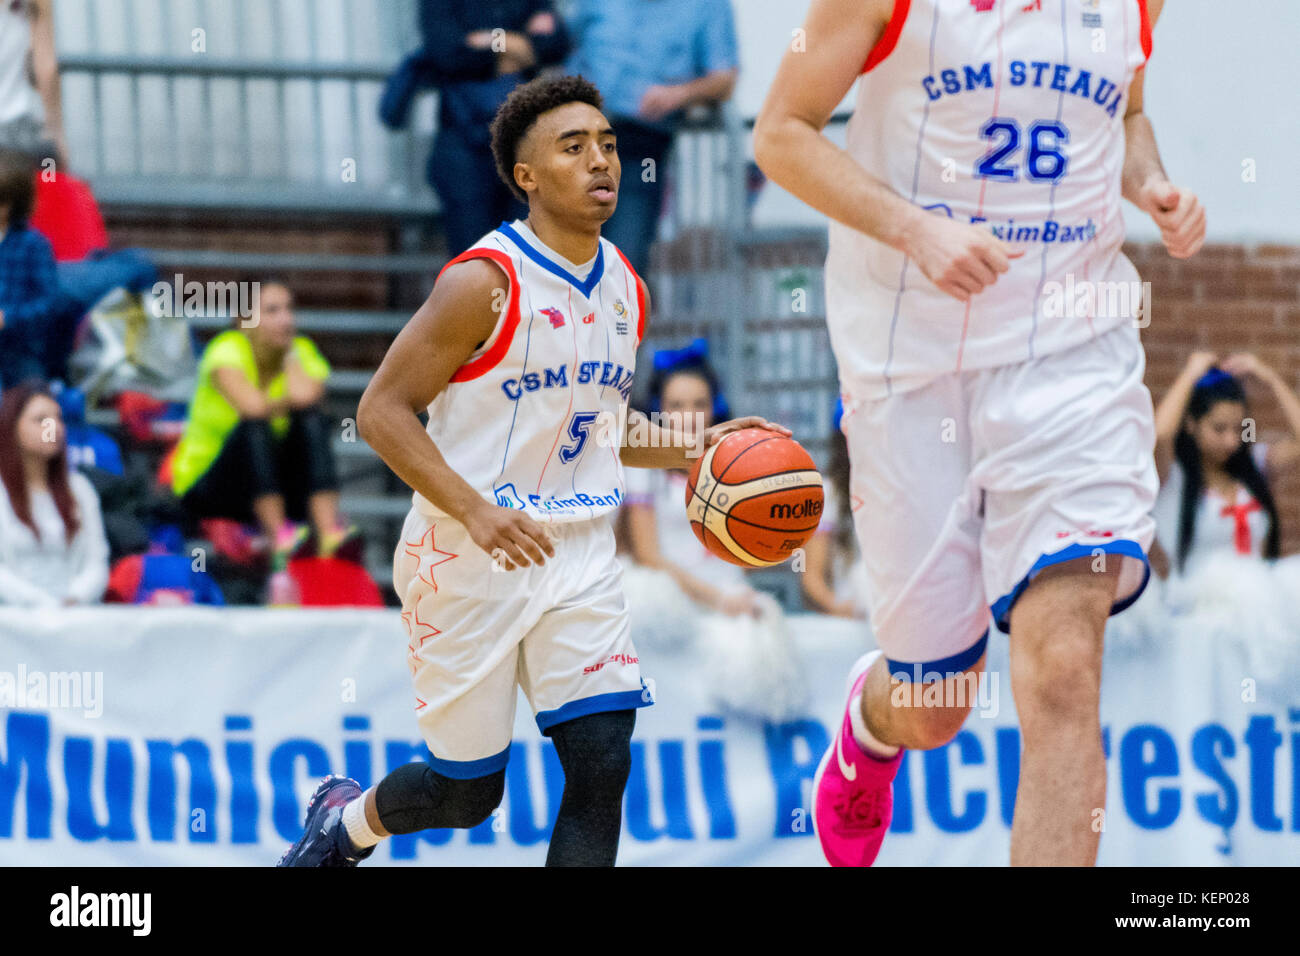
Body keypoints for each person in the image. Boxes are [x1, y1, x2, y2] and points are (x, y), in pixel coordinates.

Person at [276, 74, 788, 867]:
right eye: (573, 147)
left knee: (602, 764)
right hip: (466, 555)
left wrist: (700, 441)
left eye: (609, 146)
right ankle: (346, 822)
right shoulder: (480, 284)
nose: (601, 162)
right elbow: (380, 412)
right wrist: (475, 509)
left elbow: (604, 425)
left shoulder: (626, 287)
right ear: (526, 176)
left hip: (578, 554)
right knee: (466, 792)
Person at [754, 0, 1206, 866]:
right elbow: (781, 133)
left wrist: (1148, 182)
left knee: (1067, 666)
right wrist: (914, 228)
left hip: (1072, 348)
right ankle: (870, 723)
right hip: (912, 359)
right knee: (937, 704)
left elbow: (1127, 109)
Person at [169, 280, 355, 573]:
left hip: (273, 485)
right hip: (212, 488)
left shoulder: (300, 349)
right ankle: (279, 536)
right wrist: (285, 401)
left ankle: (329, 533)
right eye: (272, 311)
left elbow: (308, 398)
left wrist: (289, 355)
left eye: (289, 310)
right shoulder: (226, 349)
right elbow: (253, 408)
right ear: (244, 321)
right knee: (255, 426)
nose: (286, 319)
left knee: (313, 421)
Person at [564, 0, 739, 277]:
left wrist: (678, 94)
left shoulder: (707, 5)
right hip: (571, 140)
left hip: (639, 145)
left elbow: (724, 78)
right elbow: (557, 42)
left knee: (623, 266)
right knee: (555, 266)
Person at [383, 1, 570, 256]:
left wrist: (489, 41)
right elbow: (449, 55)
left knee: (529, 259)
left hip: (525, 146)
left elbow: (555, 45)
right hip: (465, 146)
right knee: (476, 259)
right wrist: (516, 44)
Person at [624, 340, 773, 617]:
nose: (688, 417)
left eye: (699, 404)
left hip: (733, 594)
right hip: (671, 607)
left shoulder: (733, 464)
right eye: (677, 406)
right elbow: (647, 555)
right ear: (658, 410)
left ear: (715, 408)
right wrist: (717, 599)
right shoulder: (643, 470)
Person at [1153, 351, 1300, 576]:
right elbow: (1161, 434)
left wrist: (1271, 379)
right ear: (1192, 424)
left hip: (1256, 597)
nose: (1231, 441)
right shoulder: (1173, 476)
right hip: (1196, 603)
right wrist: (1191, 374)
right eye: (1219, 429)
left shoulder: (1255, 468)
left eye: (1238, 429)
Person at [0, 381, 109, 607]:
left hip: (72, 618)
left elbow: (97, 562)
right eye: (41, 420)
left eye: (58, 418)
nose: (54, 428)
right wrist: (40, 604)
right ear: (12, 427)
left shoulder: (79, 489)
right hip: (12, 623)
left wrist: (74, 598)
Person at [0, 146, 67, 391]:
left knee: (30, 400)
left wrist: (9, 318)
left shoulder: (33, 244)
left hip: (21, 351)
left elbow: (50, 303)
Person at [800, 400, 867, 619]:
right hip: (855, 618)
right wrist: (840, 608)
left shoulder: (903, 493)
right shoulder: (829, 494)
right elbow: (812, 577)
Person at [0, 0, 66, 163]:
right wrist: (55, 133)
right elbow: (46, 67)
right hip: (17, 130)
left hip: (15, 131)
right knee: (48, 177)